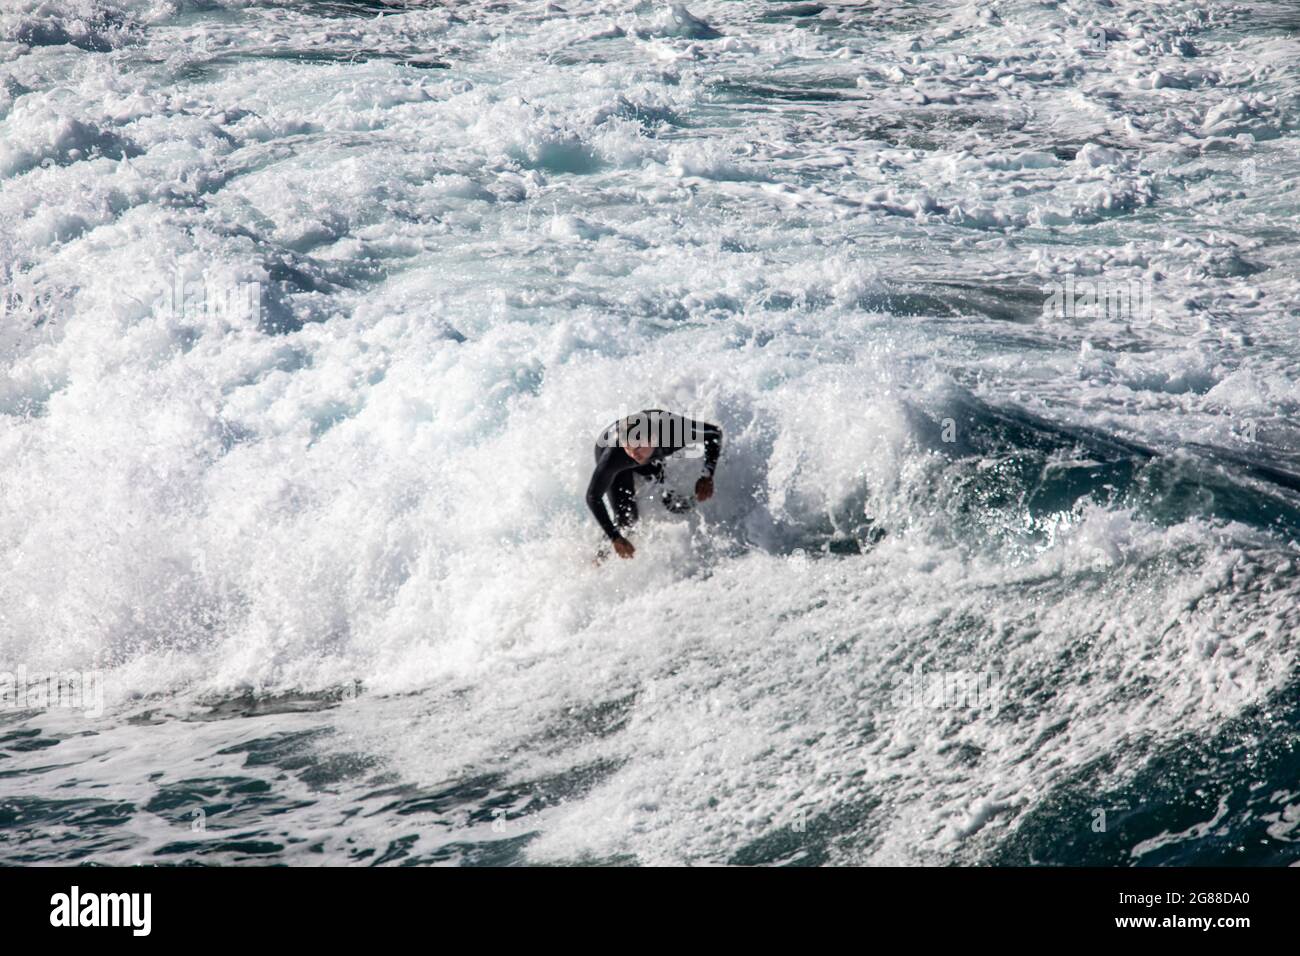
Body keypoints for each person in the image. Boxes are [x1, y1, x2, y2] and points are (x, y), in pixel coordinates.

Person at [586, 409, 723, 559]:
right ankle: (598, 560)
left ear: (654, 438)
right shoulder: (616, 455)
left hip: (652, 449)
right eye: (628, 448)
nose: (633, 455)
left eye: (637, 447)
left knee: (672, 503)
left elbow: (714, 434)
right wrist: (614, 537)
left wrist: (707, 475)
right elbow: (593, 497)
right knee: (626, 520)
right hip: (613, 453)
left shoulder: (676, 432)